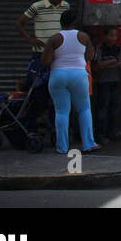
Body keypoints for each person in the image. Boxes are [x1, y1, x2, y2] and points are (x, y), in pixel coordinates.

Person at [41, 10, 100, 155]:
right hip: (79, 75)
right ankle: (88, 144)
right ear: (75, 22)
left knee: (61, 112)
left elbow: (46, 61)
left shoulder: (54, 39)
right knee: (84, 110)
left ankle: (62, 147)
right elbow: (89, 56)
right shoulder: (84, 36)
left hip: (58, 75)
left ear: (61, 22)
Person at [16, 0, 70, 75]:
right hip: (41, 52)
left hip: (59, 52)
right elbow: (19, 23)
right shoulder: (37, 6)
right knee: (38, 81)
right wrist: (30, 39)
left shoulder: (66, 6)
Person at [93, 27, 121, 142]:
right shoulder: (100, 48)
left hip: (114, 80)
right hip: (103, 81)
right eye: (111, 35)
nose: (113, 38)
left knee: (114, 107)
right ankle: (100, 133)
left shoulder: (118, 49)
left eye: (115, 35)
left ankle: (112, 131)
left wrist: (106, 64)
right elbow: (99, 65)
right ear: (105, 36)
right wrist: (112, 61)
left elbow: (120, 63)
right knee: (102, 108)